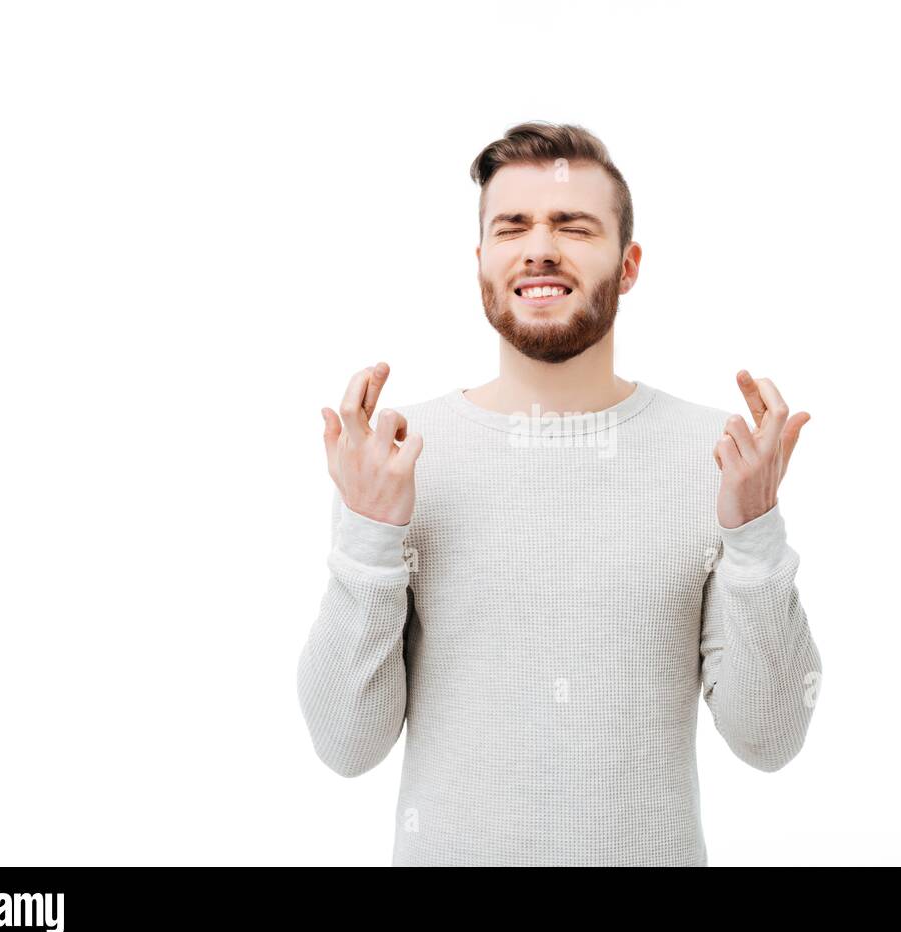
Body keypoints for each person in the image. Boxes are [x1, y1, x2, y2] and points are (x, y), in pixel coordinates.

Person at [296, 121, 822, 866]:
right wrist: (367, 536)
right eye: (512, 226)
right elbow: (345, 744)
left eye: (573, 226)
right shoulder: (398, 459)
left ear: (629, 264)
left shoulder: (717, 459)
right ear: (482, 260)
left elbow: (770, 738)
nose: (539, 247)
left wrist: (757, 534)